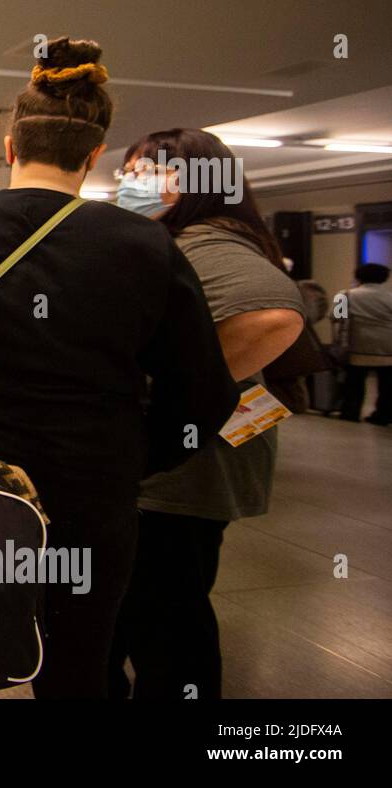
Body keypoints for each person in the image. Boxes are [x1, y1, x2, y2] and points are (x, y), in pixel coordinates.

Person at [0, 37, 240, 698]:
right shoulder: (143, 244)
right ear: (94, 155)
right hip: (90, 495)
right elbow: (204, 391)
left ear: (11, 147)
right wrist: (137, 455)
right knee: (79, 668)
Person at [107, 128, 304, 700]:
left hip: (180, 472)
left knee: (166, 617)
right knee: (151, 607)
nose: (128, 183)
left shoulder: (204, 242)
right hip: (190, 464)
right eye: (127, 171)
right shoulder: (193, 237)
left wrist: (180, 391)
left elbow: (273, 314)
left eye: (145, 171)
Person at [336, 262, 392, 425]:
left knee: (354, 383)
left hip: (357, 346)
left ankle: (350, 413)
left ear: (358, 276)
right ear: (384, 278)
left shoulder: (344, 295)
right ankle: (383, 416)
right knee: (387, 386)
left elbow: (336, 317)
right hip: (388, 348)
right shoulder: (390, 297)